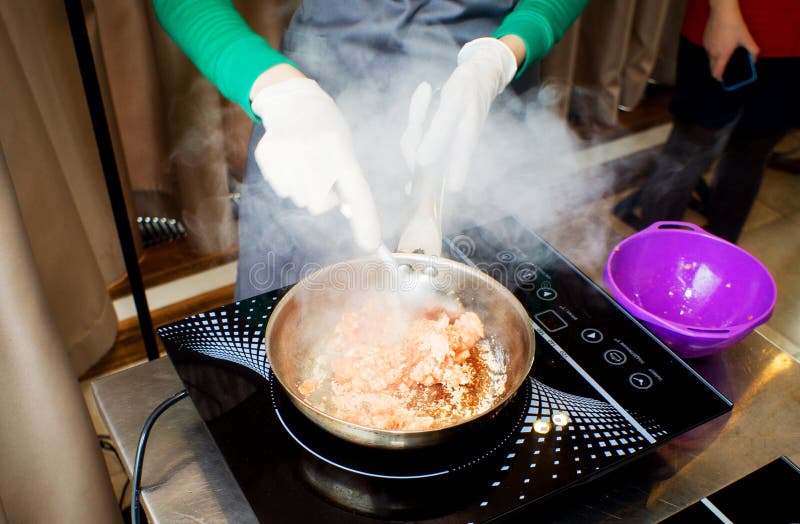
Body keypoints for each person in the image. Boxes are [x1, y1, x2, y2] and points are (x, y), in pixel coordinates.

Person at [153, 0, 587, 299]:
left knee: (478, 321)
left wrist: (504, 54)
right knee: (285, 339)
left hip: (478, 112)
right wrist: (273, 89)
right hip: (316, 114)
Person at [613, 0, 800, 243]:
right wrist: (723, 11)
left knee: (755, 149)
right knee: (690, 146)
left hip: (792, 42)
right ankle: (653, 253)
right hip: (733, 22)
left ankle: (719, 253)